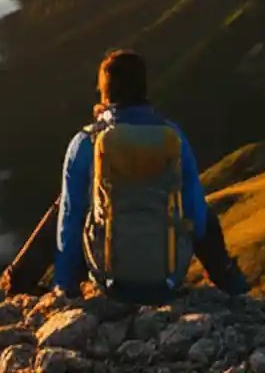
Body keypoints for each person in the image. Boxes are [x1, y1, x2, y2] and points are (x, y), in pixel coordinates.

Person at [50, 49, 249, 302]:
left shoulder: (85, 142)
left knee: (69, 208)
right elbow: (196, 219)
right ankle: (234, 287)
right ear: (144, 88)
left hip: (109, 279)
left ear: (104, 91)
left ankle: (59, 286)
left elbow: (70, 219)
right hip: (167, 278)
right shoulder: (173, 137)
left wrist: (64, 284)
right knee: (205, 214)